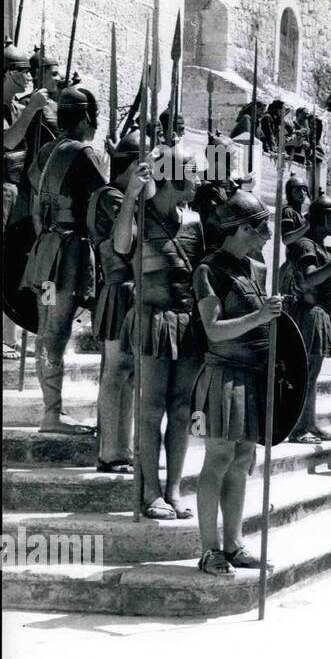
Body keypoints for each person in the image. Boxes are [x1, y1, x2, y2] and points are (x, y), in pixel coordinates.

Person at [191, 190, 283, 575]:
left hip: (251, 375)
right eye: (260, 229)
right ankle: (209, 549)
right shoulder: (209, 271)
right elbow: (213, 330)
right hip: (223, 374)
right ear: (241, 228)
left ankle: (234, 543)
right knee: (218, 459)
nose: (266, 237)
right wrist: (260, 317)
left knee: (243, 459)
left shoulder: (255, 269)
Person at [115, 145, 205, 519]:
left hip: (185, 324)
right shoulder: (140, 214)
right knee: (150, 411)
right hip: (152, 321)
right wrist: (131, 195)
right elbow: (122, 246)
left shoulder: (196, 222)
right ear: (175, 178)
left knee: (181, 411)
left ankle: (173, 489)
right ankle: (150, 491)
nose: (198, 179)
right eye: (193, 172)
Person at [21, 86, 109, 433]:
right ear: (88, 116)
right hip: (68, 253)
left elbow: (34, 188)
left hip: (45, 250)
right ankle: (52, 413)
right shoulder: (85, 154)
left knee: (47, 333)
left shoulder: (46, 150)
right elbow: (106, 202)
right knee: (54, 334)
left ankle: (51, 409)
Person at [88, 128, 140, 472]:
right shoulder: (112, 197)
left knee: (128, 373)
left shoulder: (117, 195)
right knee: (117, 372)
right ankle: (111, 451)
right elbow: (131, 241)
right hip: (119, 289)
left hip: (127, 289)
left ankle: (122, 448)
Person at [283, 194, 331, 444]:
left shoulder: (320, 246)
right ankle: (298, 427)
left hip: (321, 315)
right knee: (304, 374)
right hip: (309, 315)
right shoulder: (305, 245)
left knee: (313, 375)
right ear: (322, 218)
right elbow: (310, 279)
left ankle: (309, 424)